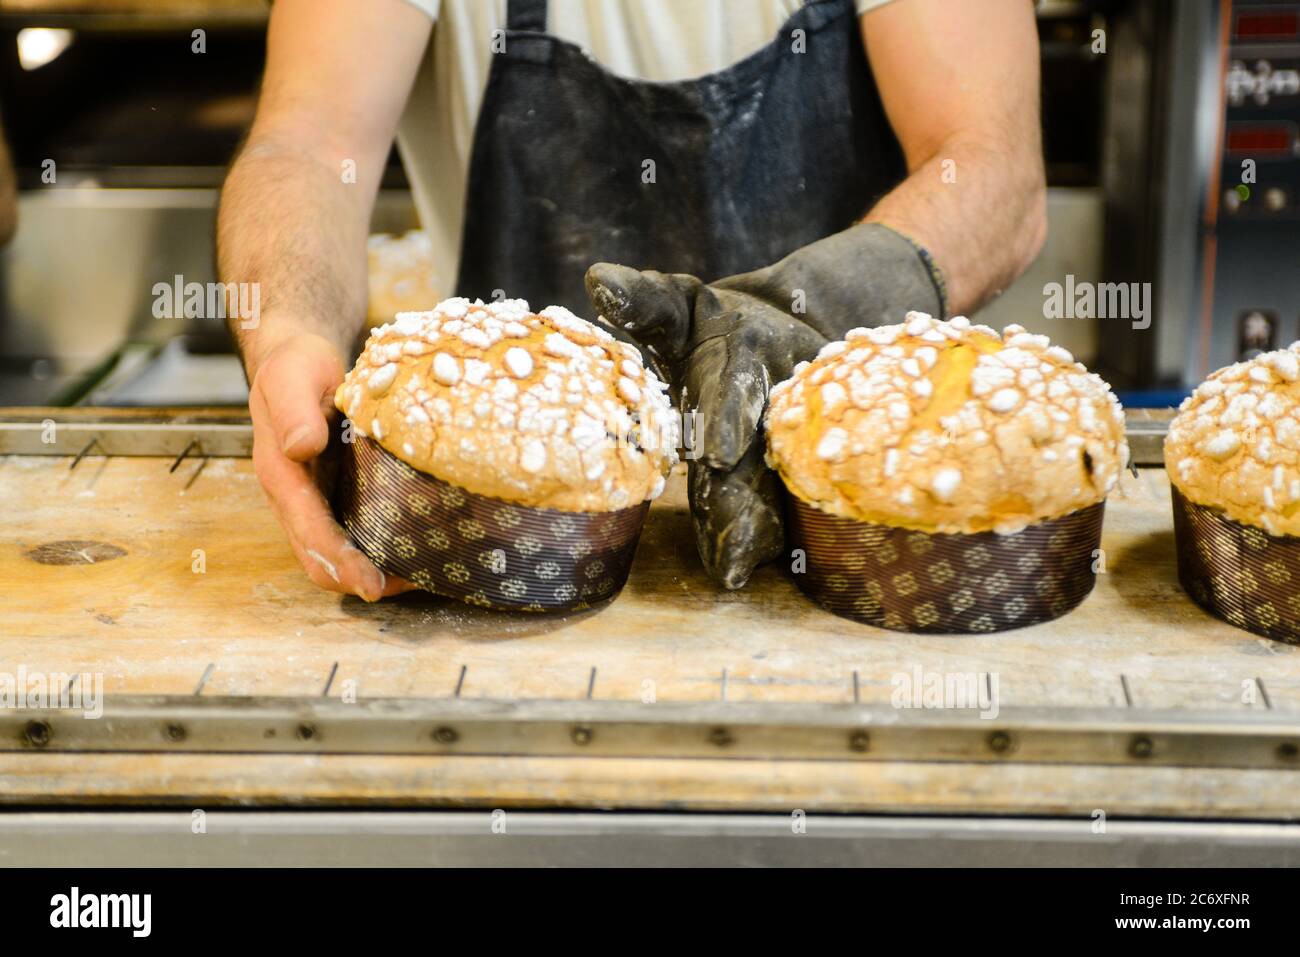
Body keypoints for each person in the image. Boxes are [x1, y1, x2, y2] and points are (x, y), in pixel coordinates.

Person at [217, 0, 1046, 601]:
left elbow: (989, 170)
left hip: (856, 533)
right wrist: (291, 329)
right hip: (505, 548)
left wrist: (801, 309)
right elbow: (308, 147)